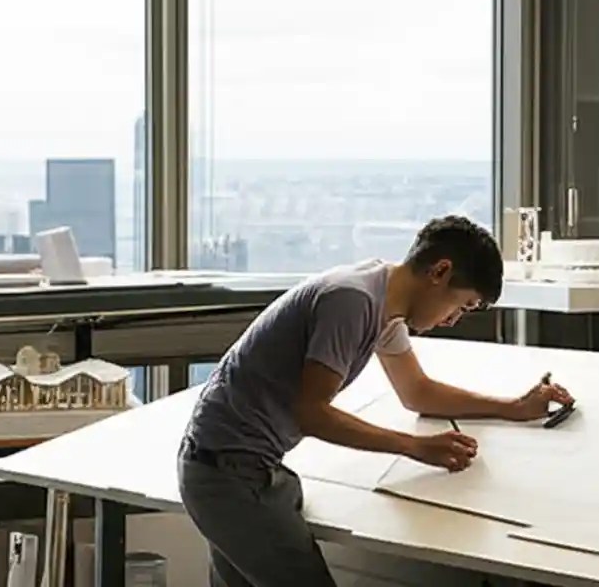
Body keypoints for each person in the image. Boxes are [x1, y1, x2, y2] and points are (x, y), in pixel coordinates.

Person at [177, 215, 576, 587]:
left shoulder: (386, 305)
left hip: (239, 467)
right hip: (228, 473)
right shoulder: (352, 302)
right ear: (440, 272)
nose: (455, 319)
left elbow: (417, 391)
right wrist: (413, 447)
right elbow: (312, 414)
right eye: (464, 304)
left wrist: (514, 407)